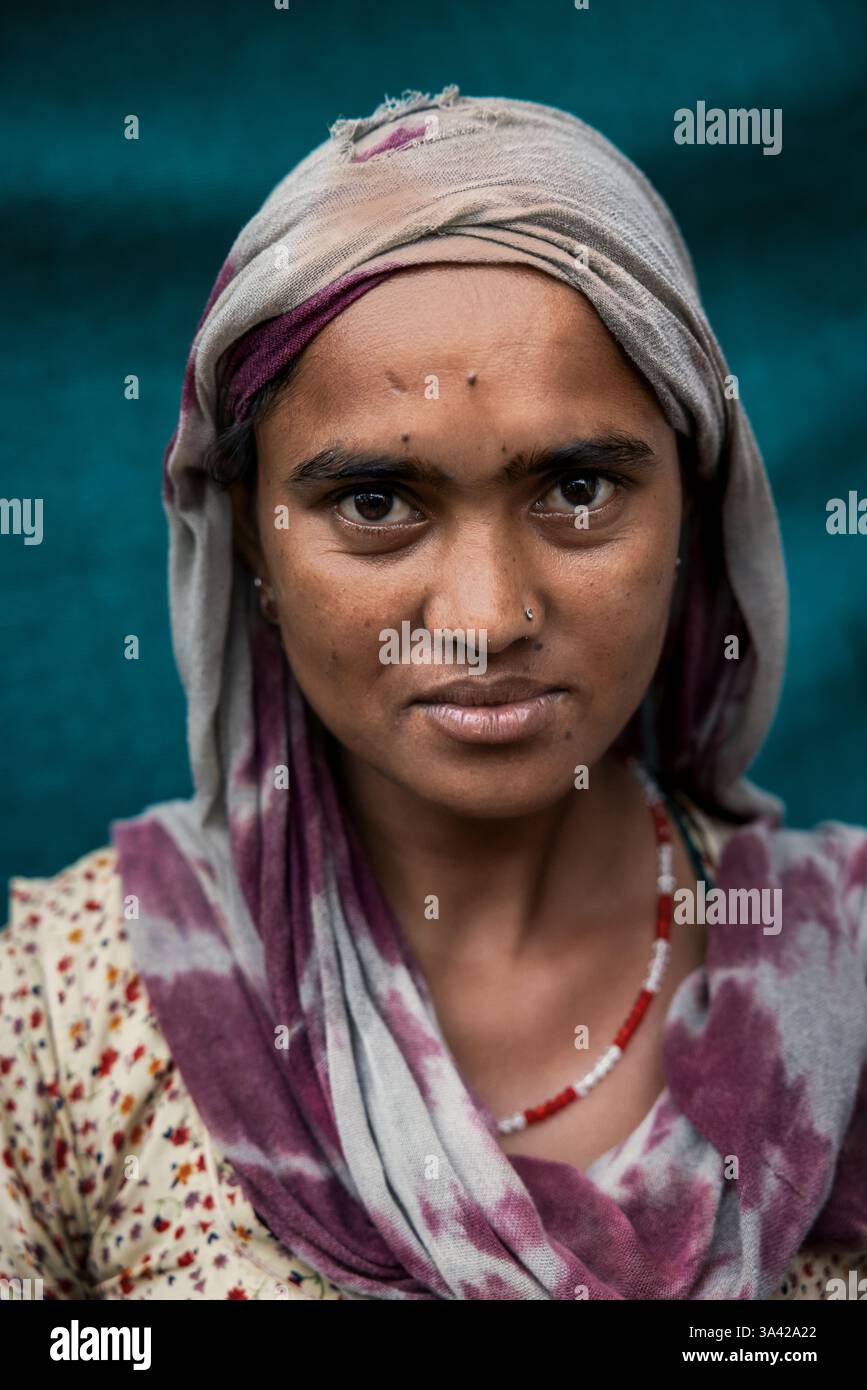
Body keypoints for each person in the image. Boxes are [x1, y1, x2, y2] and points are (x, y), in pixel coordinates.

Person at [2, 86, 865, 1302]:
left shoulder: (852, 982)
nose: (485, 618)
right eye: (375, 503)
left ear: (698, 509)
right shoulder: (63, 1015)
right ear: (249, 535)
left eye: (577, 489)